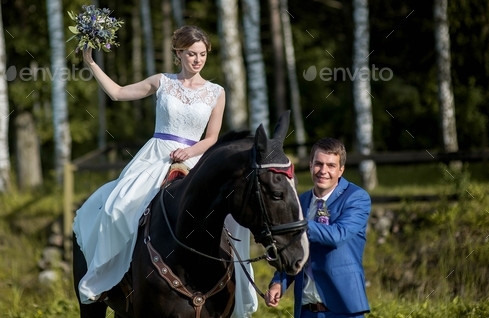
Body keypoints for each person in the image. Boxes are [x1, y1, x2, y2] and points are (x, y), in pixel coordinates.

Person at [73, 25, 258, 317]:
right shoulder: (162, 82)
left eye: (202, 54)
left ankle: (233, 291)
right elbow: (119, 94)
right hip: (157, 155)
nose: (197, 60)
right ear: (178, 54)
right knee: (117, 208)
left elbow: (211, 138)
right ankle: (115, 279)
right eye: (191, 54)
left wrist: (190, 151)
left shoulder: (216, 92)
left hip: (195, 159)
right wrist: (91, 63)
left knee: (233, 221)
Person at [265, 137, 371, 318]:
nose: (323, 171)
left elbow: (338, 235)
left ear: (341, 170)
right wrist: (278, 283)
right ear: (310, 165)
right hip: (306, 310)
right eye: (318, 164)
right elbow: (292, 249)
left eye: (331, 165)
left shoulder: (357, 198)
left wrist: (297, 224)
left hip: (343, 309)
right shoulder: (300, 201)